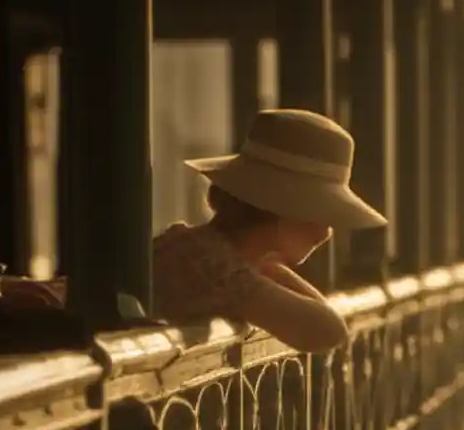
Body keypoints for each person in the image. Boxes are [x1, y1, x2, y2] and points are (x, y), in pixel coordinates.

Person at [153, 108, 387, 352]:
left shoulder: (208, 252)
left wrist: (265, 266)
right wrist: (270, 270)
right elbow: (327, 331)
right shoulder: (212, 265)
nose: (325, 232)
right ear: (278, 206)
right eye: (317, 212)